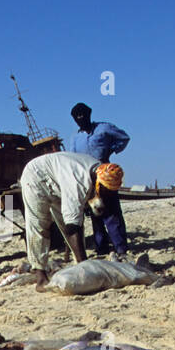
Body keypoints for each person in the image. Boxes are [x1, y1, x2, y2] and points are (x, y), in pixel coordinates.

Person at [18, 152, 125, 286]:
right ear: (98, 183)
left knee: (69, 219)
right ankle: (40, 276)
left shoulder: (97, 169)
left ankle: (80, 265)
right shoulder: (77, 183)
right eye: (105, 190)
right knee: (40, 224)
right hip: (35, 176)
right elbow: (73, 227)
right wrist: (85, 265)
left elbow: (75, 220)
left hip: (56, 180)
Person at [69, 102, 130, 254]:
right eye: (77, 117)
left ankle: (120, 248)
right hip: (87, 179)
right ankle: (101, 248)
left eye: (83, 115)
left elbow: (124, 138)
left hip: (105, 175)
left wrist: (111, 150)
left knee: (112, 212)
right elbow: (72, 160)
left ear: (89, 115)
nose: (80, 119)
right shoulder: (75, 139)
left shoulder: (104, 128)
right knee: (95, 213)